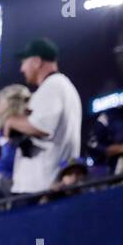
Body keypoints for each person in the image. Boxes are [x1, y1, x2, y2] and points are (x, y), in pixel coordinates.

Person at [5, 38, 83, 194]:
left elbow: (41, 127)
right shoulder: (59, 85)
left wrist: (11, 121)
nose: (21, 69)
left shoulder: (53, 85)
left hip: (42, 187)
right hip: (50, 183)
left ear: (36, 61)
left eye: (23, 62)